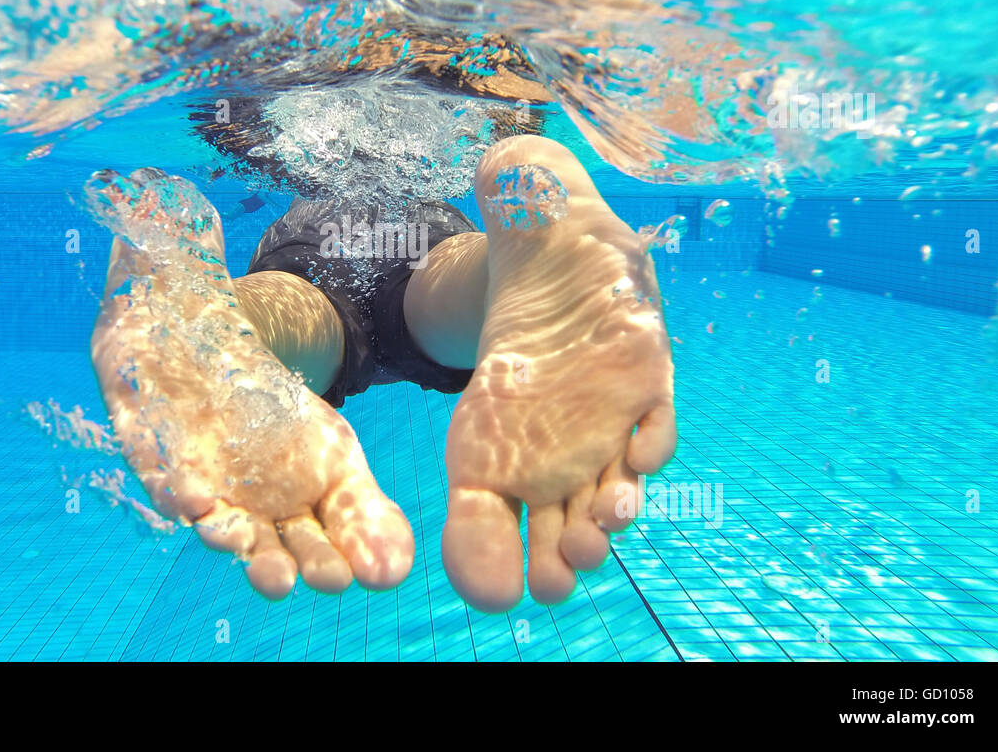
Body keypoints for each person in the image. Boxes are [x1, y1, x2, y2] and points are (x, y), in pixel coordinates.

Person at [89, 134, 676, 613]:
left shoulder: (299, 153)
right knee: (451, 288)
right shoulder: (435, 138)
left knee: (291, 310)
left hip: (310, 248)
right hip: (425, 236)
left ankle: (203, 318)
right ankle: (523, 251)